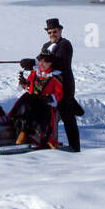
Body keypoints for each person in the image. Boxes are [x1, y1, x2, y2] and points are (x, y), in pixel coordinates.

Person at [41, 18, 81, 152]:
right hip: (50, 87)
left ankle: (75, 148)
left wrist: (40, 62)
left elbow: (58, 63)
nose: (52, 34)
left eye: (55, 32)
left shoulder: (65, 45)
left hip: (65, 87)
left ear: (60, 31)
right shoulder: (46, 46)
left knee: (68, 118)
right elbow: (40, 61)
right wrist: (31, 63)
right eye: (50, 32)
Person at [9, 51, 62, 148]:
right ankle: (22, 132)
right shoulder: (34, 73)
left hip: (44, 103)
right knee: (26, 103)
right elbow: (30, 87)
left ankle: (43, 139)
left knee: (41, 116)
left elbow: (59, 94)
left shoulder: (55, 77)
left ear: (51, 63)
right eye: (40, 61)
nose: (41, 64)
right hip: (32, 100)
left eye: (45, 62)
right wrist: (24, 83)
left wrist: (50, 98)